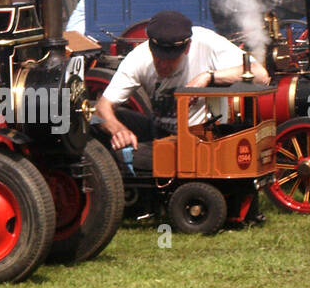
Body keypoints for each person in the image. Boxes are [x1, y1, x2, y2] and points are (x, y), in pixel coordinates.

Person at [94, 11, 269, 172]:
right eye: (158, 57)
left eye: (170, 59)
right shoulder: (138, 58)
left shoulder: (207, 43)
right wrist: (118, 130)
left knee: (125, 158)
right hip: (162, 132)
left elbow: (261, 75)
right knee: (101, 126)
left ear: (187, 48)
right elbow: (101, 108)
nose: (162, 64)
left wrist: (209, 77)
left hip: (203, 138)